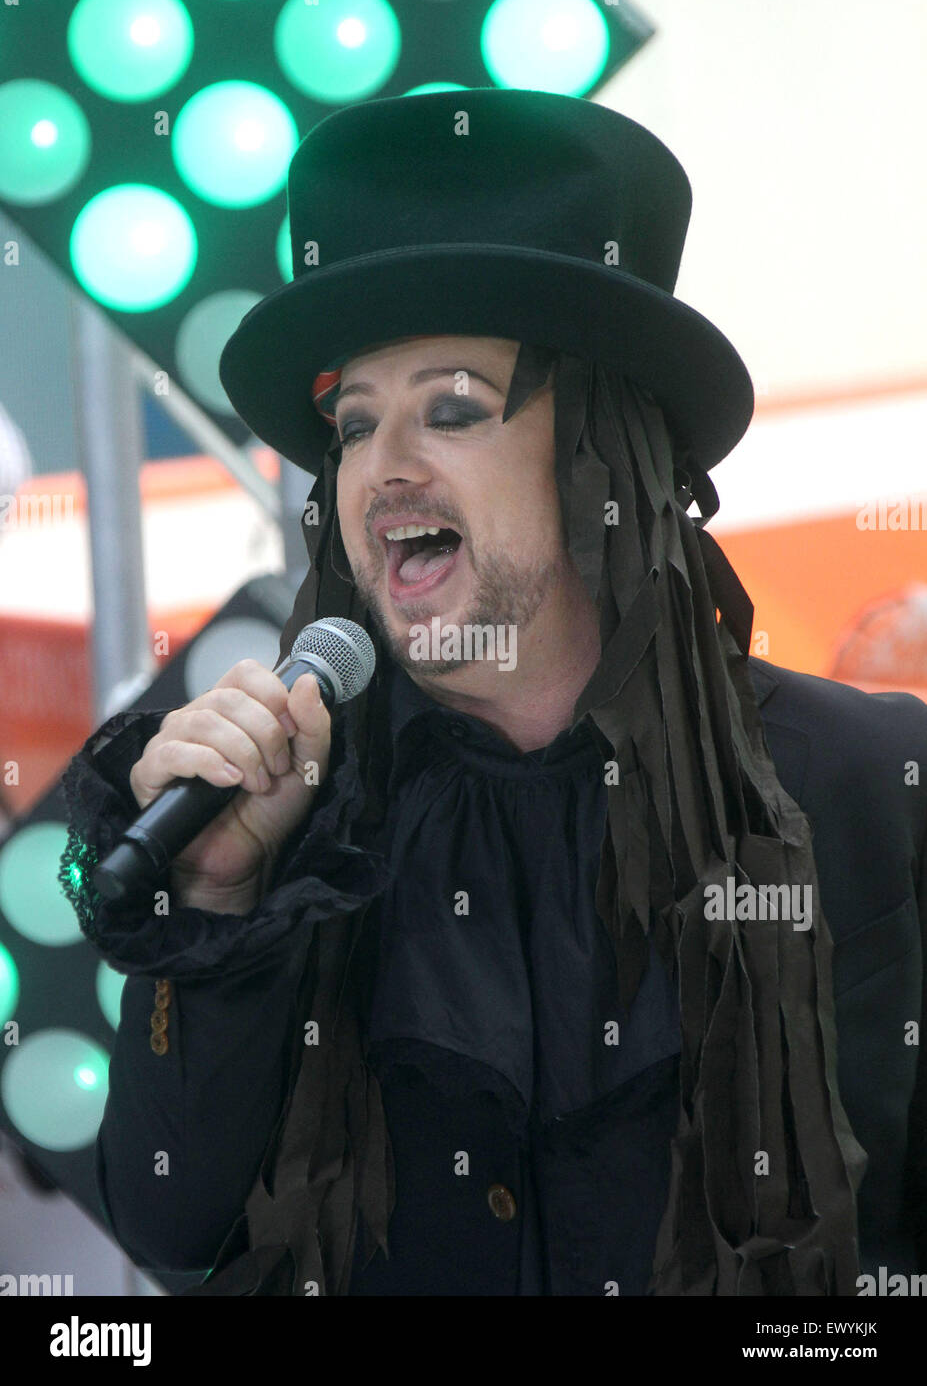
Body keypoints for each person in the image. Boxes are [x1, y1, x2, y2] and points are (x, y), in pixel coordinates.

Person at [58, 88, 927, 1297]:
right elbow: (167, 1228)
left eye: (453, 407)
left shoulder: (869, 781)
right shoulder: (291, 821)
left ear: (604, 451)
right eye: (353, 425)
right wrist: (218, 913)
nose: (383, 466)